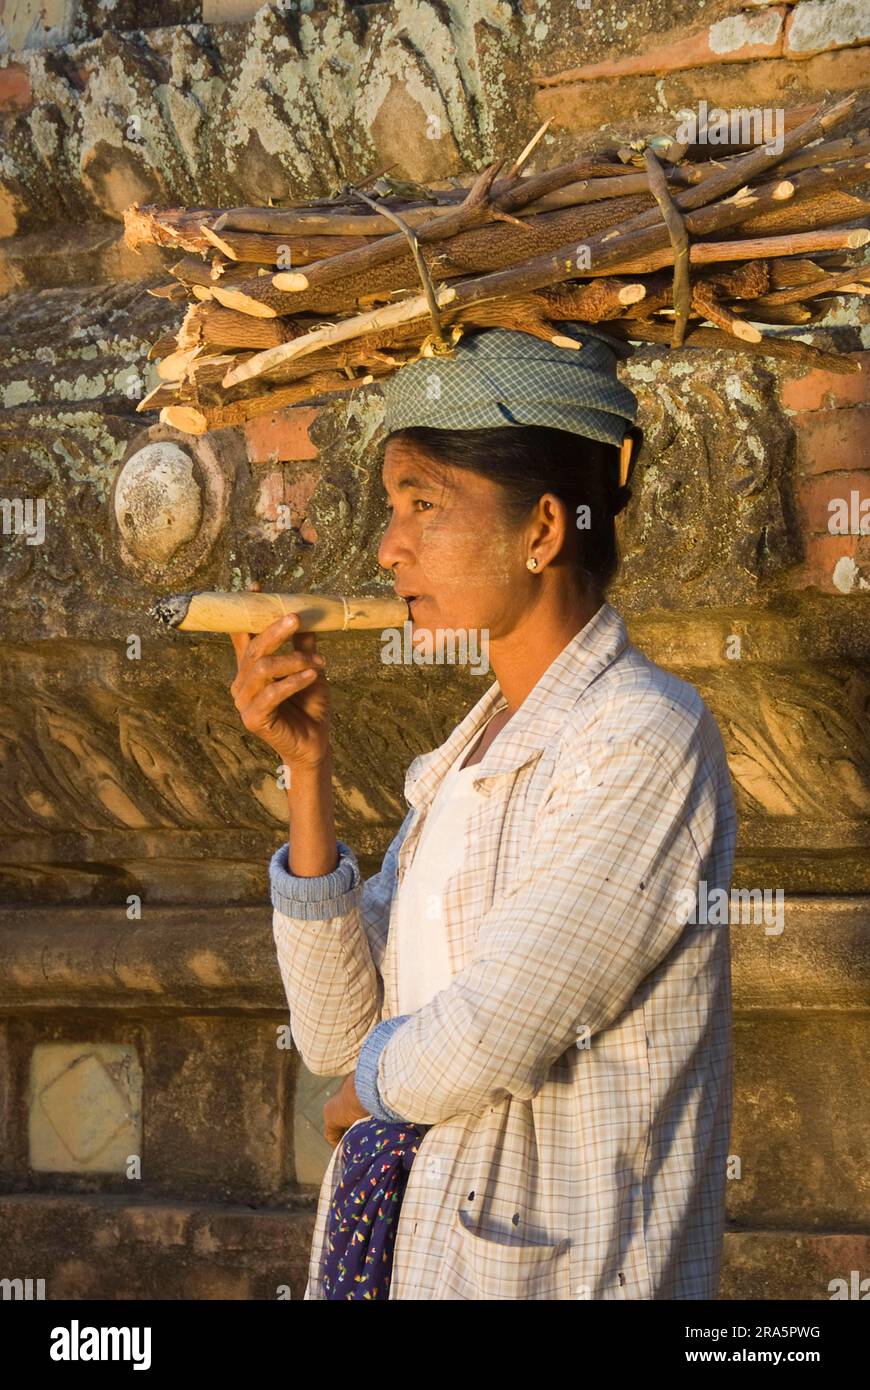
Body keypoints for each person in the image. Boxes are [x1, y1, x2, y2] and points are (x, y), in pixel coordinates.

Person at [229, 325, 737, 1300]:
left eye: (423, 504)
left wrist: (364, 1096)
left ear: (543, 530)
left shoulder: (645, 737)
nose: (387, 548)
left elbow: (487, 1033)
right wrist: (307, 774)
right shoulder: (461, 760)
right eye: (391, 508)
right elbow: (342, 1033)